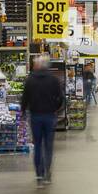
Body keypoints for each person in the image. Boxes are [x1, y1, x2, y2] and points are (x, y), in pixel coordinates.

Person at [20, 55, 65, 185]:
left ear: (37, 66)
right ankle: (47, 172)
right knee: (48, 146)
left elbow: (24, 99)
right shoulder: (54, 80)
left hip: (35, 116)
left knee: (38, 145)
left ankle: (39, 174)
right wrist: (56, 109)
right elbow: (61, 98)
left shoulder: (30, 80)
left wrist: (23, 112)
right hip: (50, 116)